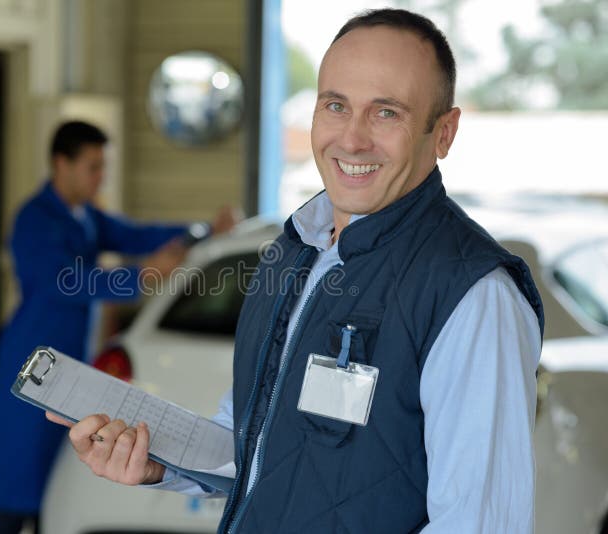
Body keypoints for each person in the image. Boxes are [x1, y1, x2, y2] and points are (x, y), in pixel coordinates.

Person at [47, 9, 545, 533]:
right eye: (335, 106)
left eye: (386, 113)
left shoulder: (473, 295)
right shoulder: (292, 252)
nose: (351, 139)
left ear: (443, 133)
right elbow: (253, 442)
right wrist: (157, 462)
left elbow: (481, 524)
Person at [0, 120, 235, 534]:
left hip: (70, 362)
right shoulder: (35, 219)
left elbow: (135, 234)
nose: (100, 177)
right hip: (31, 361)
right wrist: (138, 277)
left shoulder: (84, 216)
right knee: (20, 481)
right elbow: (63, 280)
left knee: (60, 475)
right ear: (60, 164)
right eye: (93, 167)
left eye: (103, 167)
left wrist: (205, 229)